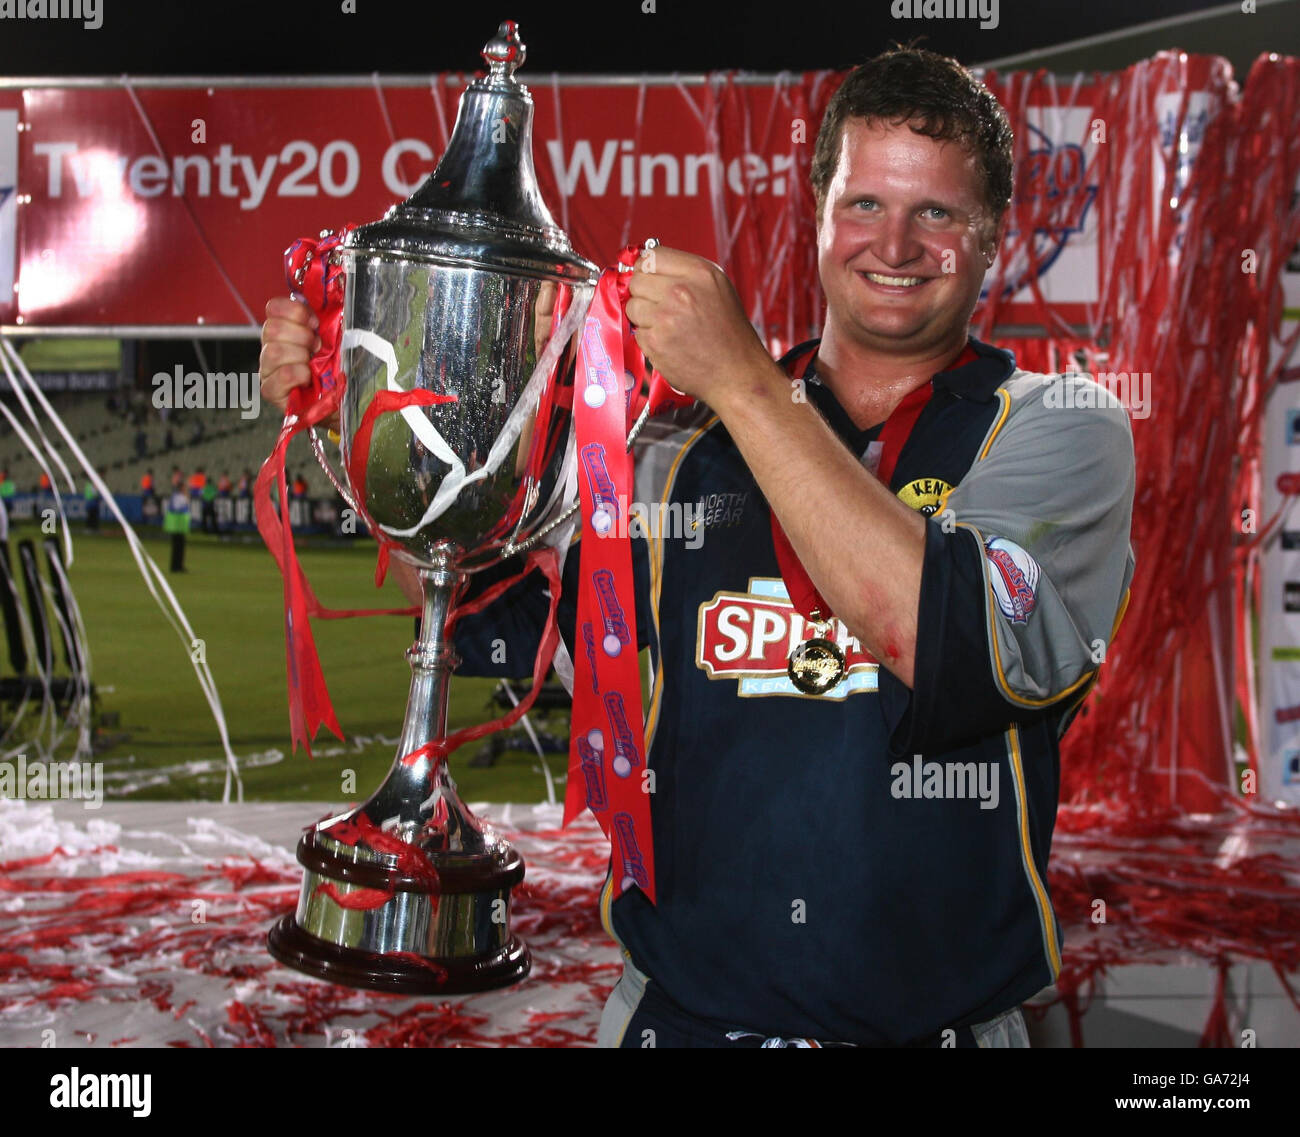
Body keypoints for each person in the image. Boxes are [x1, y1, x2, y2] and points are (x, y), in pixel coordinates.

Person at [259, 48, 1135, 1048]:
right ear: (816, 213)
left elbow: (955, 646)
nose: (893, 242)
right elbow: (483, 618)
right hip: (676, 1022)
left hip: (937, 1031)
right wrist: (357, 419)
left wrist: (747, 383)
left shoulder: (1057, 428)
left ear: (991, 238)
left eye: (936, 213)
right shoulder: (676, 442)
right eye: (863, 204)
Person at [165, 470, 190, 572]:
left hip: (175, 525)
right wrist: (187, 495)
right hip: (179, 525)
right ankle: (177, 566)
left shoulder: (174, 496)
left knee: (176, 546)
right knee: (179, 546)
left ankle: (175, 565)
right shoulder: (180, 497)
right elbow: (184, 506)